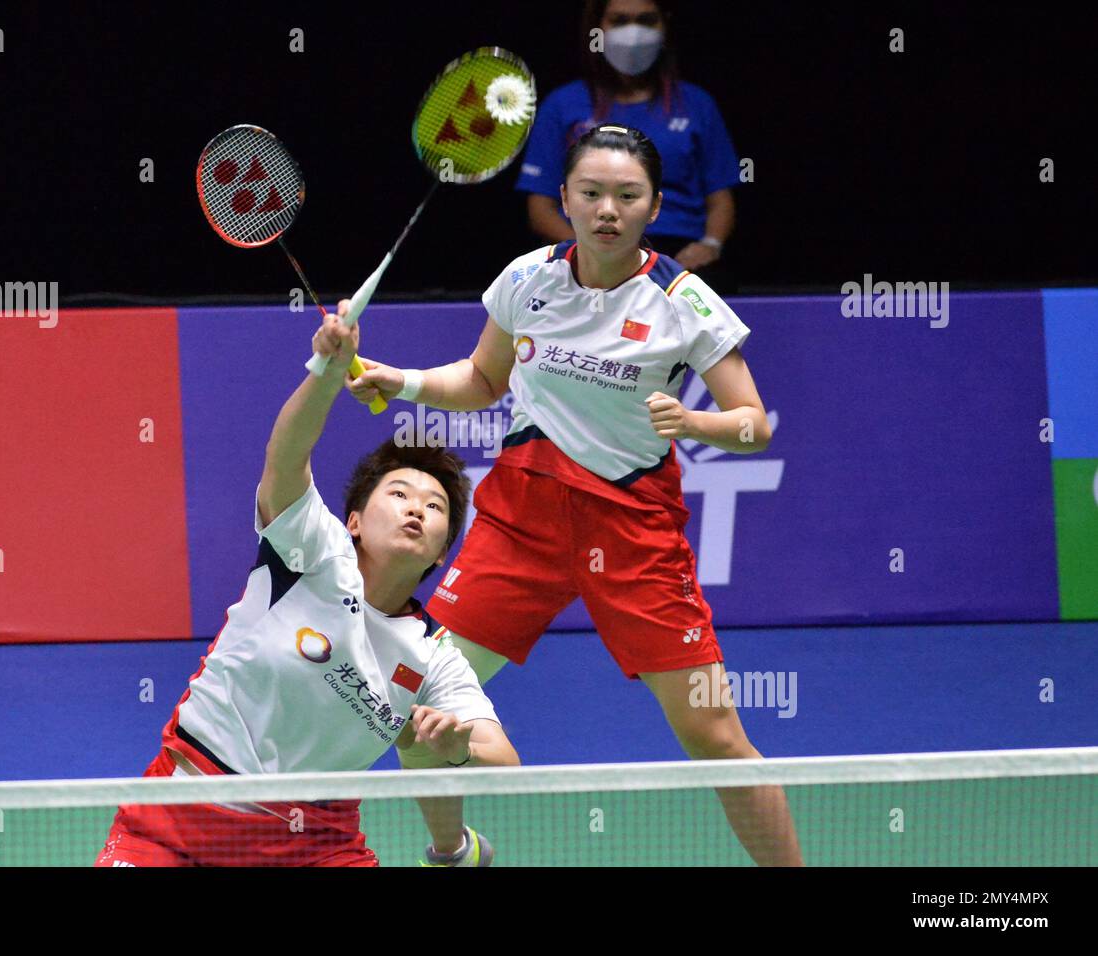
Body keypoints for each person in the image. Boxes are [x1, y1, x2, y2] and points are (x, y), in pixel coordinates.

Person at [348, 124, 803, 866]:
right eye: (590, 193)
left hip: (631, 531)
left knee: (714, 734)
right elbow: (483, 381)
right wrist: (401, 381)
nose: (607, 210)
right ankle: (452, 849)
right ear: (564, 198)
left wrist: (693, 421)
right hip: (519, 522)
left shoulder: (684, 301)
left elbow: (753, 425)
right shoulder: (528, 279)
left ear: (654, 206)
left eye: (627, 196)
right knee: (416, 695)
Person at [96, 308, 519, 867]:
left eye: (435, 506)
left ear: (442, 552)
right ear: (354, 522)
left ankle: (455, 853)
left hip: (313, 844)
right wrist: (328, 369)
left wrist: (459, 750)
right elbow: (287, 456)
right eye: (397, 495)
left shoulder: (430, 655)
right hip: (179, 816)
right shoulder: (312, 554)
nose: (417, 507)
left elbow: (506, 762)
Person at [519, 0, 740, 294]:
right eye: (620, 21)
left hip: (680, 257)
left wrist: (709, 245)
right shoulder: (562, 105)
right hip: (589, 249)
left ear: (665, 26)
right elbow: (541, 208)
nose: (633, 33)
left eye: (646, 20)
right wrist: (593, 248)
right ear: (597, 28)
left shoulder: (697, 104)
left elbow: (720, 199)